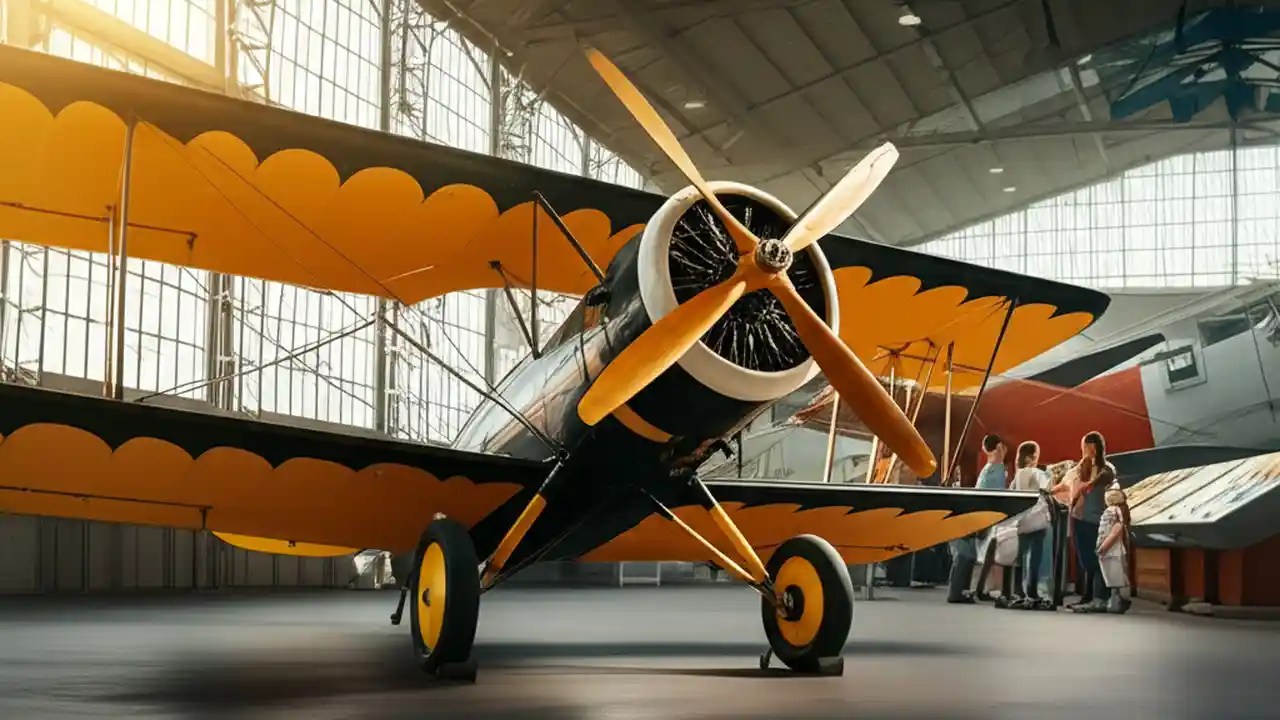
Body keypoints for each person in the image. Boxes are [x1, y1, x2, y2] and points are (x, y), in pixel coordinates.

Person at [1068, 431, 1114, 613]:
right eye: (1083, 446)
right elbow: (1073, 485)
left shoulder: (1106, 468)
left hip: (1097, 519)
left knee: (1096, 559)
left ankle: (1099, 597)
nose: (1084, 450)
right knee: (1085, 560)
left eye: (1087, 446)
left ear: (1095, 447)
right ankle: (1088, 596)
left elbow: (1107, 477)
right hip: (1080, 517)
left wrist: (1090, 484)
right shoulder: (1081, 467)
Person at [1009, 441, 1052, 609]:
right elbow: (1048, 488)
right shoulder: (1036, 472)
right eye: (1036, 455)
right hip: (1037, 521)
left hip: (1022, 521)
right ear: (1030, 457)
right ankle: (1032, 592)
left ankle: (1017, 591)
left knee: (1019, 558)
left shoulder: (1017, 475)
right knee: (1034, 558)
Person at [1097, 486, 1133, 614]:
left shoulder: (1111, 511)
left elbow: (1115, 530)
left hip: (1111, 551)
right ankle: (1117, 602)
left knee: (1114, 578)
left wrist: (1103, 547)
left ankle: (1117, 603)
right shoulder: (1120, 511)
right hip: (1115, 549)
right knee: (1117, 577)